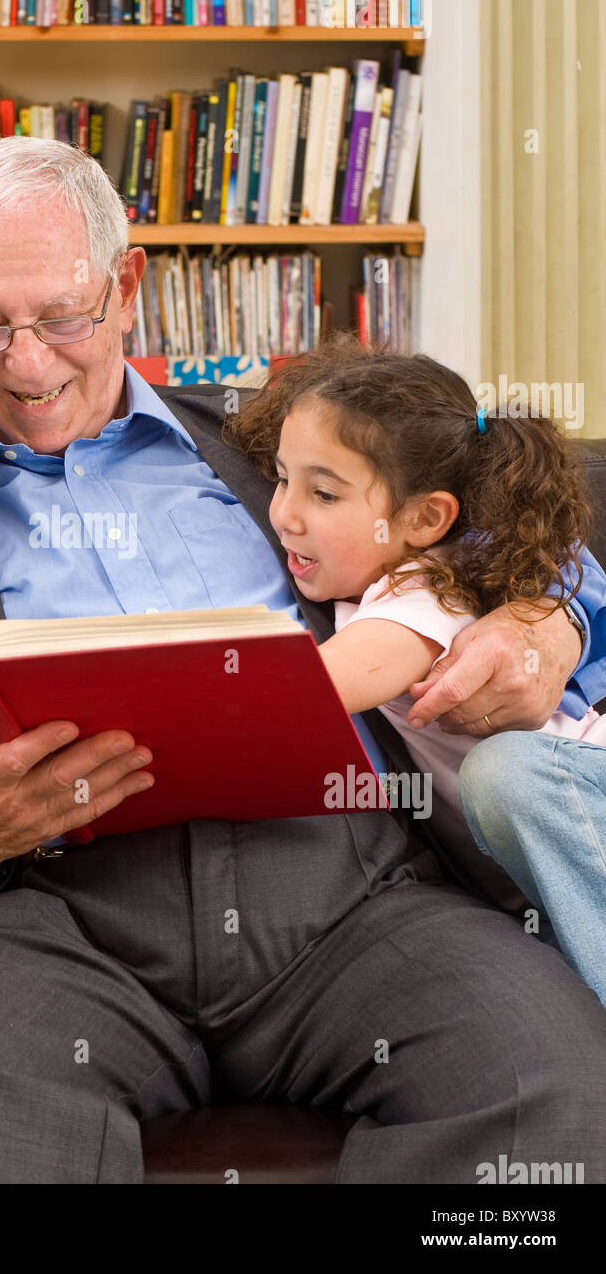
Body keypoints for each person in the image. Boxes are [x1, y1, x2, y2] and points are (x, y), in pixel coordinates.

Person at [0, 138, 606, 1184]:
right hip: (39, 930)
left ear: (128, 284)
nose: (29, 366)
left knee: (552, 1084)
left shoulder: (287, 444)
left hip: (351, 900)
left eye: (66, 316)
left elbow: (531, 540)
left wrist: (548, 624)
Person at [229, 337, 606, 1004]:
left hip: (584, 799)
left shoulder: (424, 590)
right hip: (537, 866)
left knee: (504, 775)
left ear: (424, 518)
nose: (283, 514)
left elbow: (314, 688)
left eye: (323, 493)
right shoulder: (396, 577)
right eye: (283, 479)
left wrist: (177, 693)